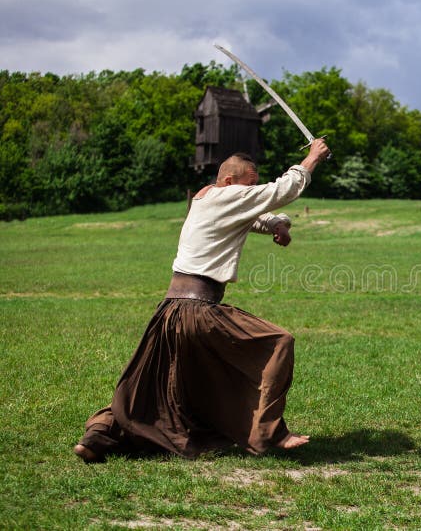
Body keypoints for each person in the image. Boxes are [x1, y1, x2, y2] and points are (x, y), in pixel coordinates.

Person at [74, 139, 330, 463]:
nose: (252, 193)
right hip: (199, 310)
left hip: (169, 312)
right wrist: (312, 158)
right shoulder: (225, 197)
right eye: (249, 186)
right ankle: (268, 432)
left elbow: (252, 216)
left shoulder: (205, 199)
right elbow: (285, 190)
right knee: (278, 342)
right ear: (228, 182)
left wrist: (278, 223)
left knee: (150, 385)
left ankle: (97, 434)